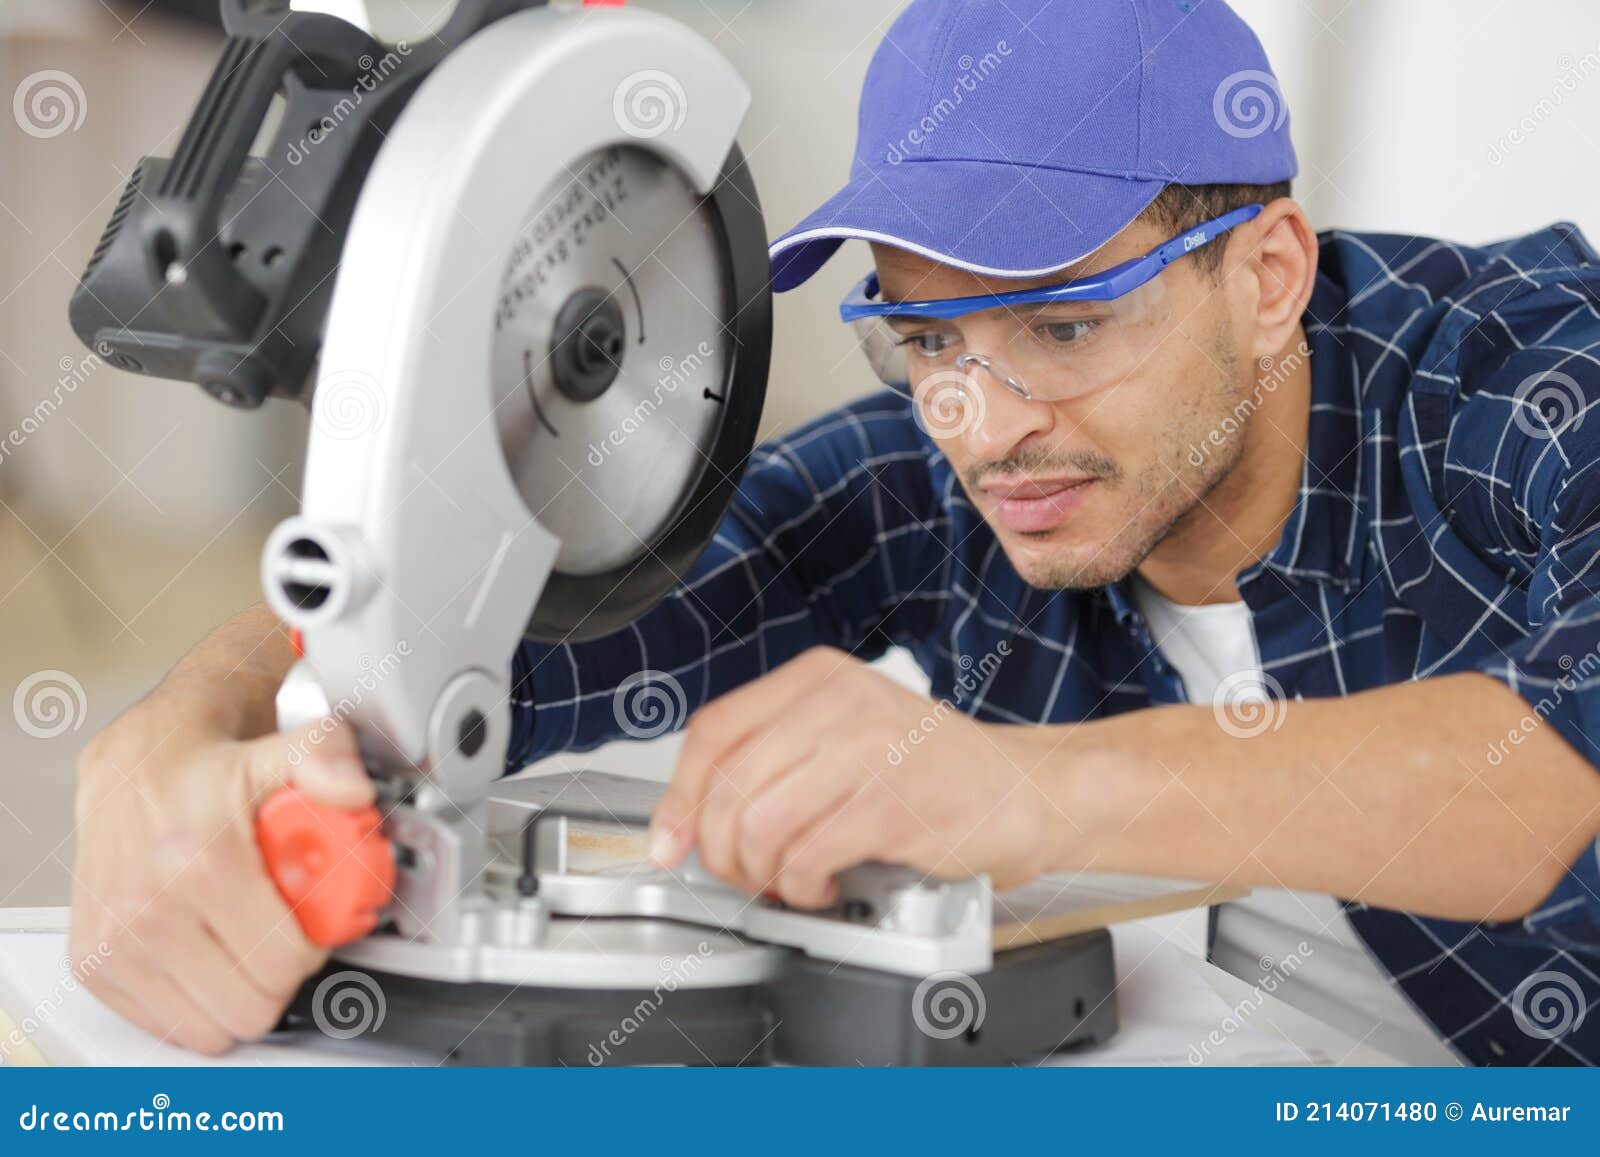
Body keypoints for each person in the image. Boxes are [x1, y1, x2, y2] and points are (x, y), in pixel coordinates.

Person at [73, 0, 1600, 1064]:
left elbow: (1550, 767)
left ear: (1266, 275)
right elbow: (487, 628)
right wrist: (176, 743)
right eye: (924, 342)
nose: (986, 426)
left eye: (1062, 326)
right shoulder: (951, 470)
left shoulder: (1531, 382)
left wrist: (1023, 790)